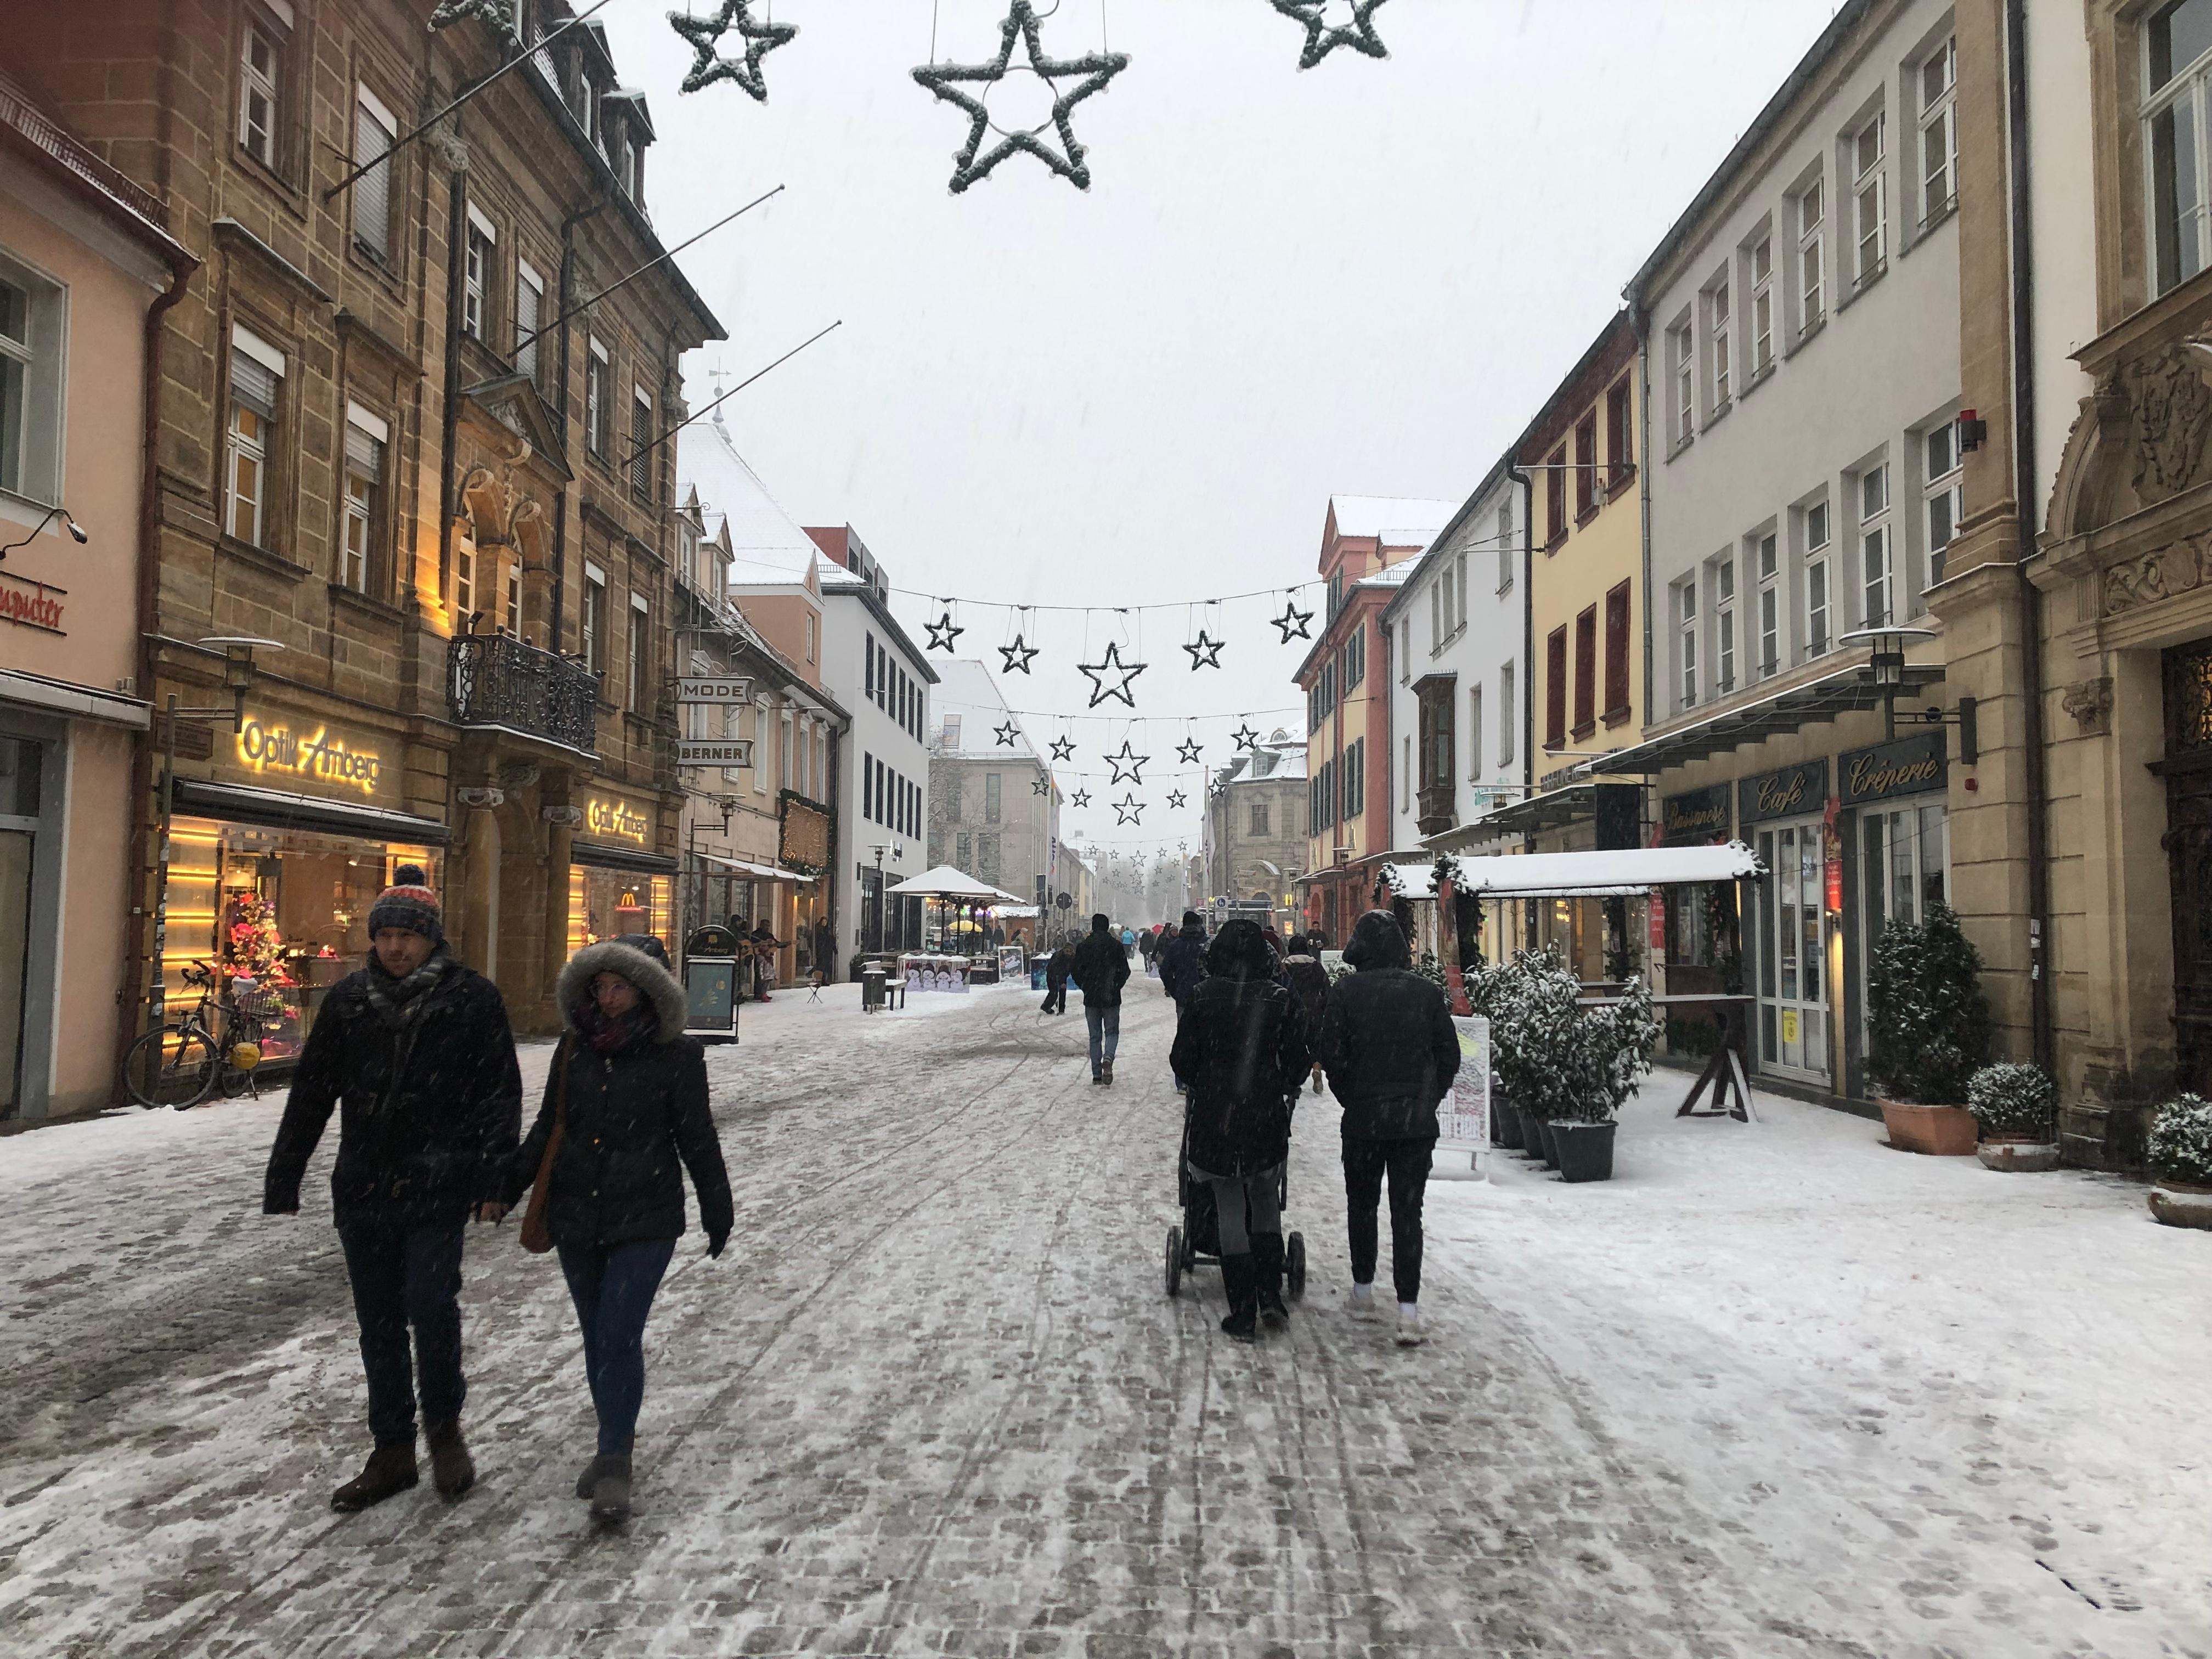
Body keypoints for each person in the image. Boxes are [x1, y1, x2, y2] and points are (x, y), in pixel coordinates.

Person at [263, 866, 522, 1512]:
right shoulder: (349, 1002)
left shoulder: (472, 999)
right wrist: (285, 1173)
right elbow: (313, 1092)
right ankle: (392, 1450)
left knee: (432, 1309)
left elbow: (499, 1094)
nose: (397, 948)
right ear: (373, 939)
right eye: (387, 936)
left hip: (438, 1184)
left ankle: (444, 1432)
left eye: (409, 936)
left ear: (432, 939)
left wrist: (495, 1176)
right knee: (377, 1324)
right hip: (365, 1187)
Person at [508, 939, 733, 1522]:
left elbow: (697, 1136)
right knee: (597, 1335)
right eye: (601, 987)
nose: (608, 999)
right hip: (577, 1210)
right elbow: (547, 1128)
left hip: (647, 1215)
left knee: (616, 1332)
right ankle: (614, 1437)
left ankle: (614, 1461)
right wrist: (504, 1186)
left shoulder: (676, 1056)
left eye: (620, 988)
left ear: (647, 992)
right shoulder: (574, 1048)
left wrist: (717, 1205)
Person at [1317, 910, 1460, 1347]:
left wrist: (1352, 1096)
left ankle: (1363, 1293)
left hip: (1363, 1120)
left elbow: (1331, 1054)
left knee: (1362, 1205)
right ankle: (1409, 1310)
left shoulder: (1346, 992)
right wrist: (1426, 1098)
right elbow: (1449, 1056)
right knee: (1407, 1213)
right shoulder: (1426, 994)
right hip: (1414, 1124)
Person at [1169, 919, 1312, 1342]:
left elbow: (1182, 1061)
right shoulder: (1281, 999)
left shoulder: (1202, 997)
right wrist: (1281, 1082)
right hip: (1264, 1115)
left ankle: (1243, 1310)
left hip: (1216, 1115)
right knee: (1265, 1200)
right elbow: (1298, 1060)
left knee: (1230, 1206)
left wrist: (1205, 1078)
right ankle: (1270, 1295)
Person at [1071, 913, 1131, 1084]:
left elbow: (1075, 971)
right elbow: (1125, 971)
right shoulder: (1116, 946)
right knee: (1112, 1032)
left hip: (1091, 997)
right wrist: (1115, 986)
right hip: (1111, 996)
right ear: (1107, 927)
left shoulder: (1084, 946)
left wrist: (1085, 986)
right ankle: (1109, 1058)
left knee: (1094, 1036)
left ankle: (1097, 1074)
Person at [1282, 934, 1333, 1099]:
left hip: (1293, 1012)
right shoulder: (1316, 967)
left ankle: (1293, 1079)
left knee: (1293, 1044)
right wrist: (1322, 1005)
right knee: (1315, 1042)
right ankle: (1317, 1068)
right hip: (1314, 1010)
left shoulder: (1285, 967)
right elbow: (1327, 988)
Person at [748, 923, 782, 1001]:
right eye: (765, 925)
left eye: (768, 926)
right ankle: (759, 994)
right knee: (760, 976)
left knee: (767, 977)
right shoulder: (755, 934)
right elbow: (753, 944)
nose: (767, 927)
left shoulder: (769, 935)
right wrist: (761, 946)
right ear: (761, 925)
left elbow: (776, 944)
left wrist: (785, 944)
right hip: (760, 957)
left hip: (768, 957)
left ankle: (763, 994)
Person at [1042, 941, 1076, 1015]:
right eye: (1067, 951)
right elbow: (1054, 968)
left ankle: (1061, 1010)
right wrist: (1060, 980)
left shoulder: (1073, 958)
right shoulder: (1058, 956)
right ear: (1064, 950)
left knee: (1063, 992)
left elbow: (1074, 969)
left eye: (1070, 951)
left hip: (1063, 975)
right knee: (1054, 993)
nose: (1068, 953)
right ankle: (1046, 1006)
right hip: (1052, 975)